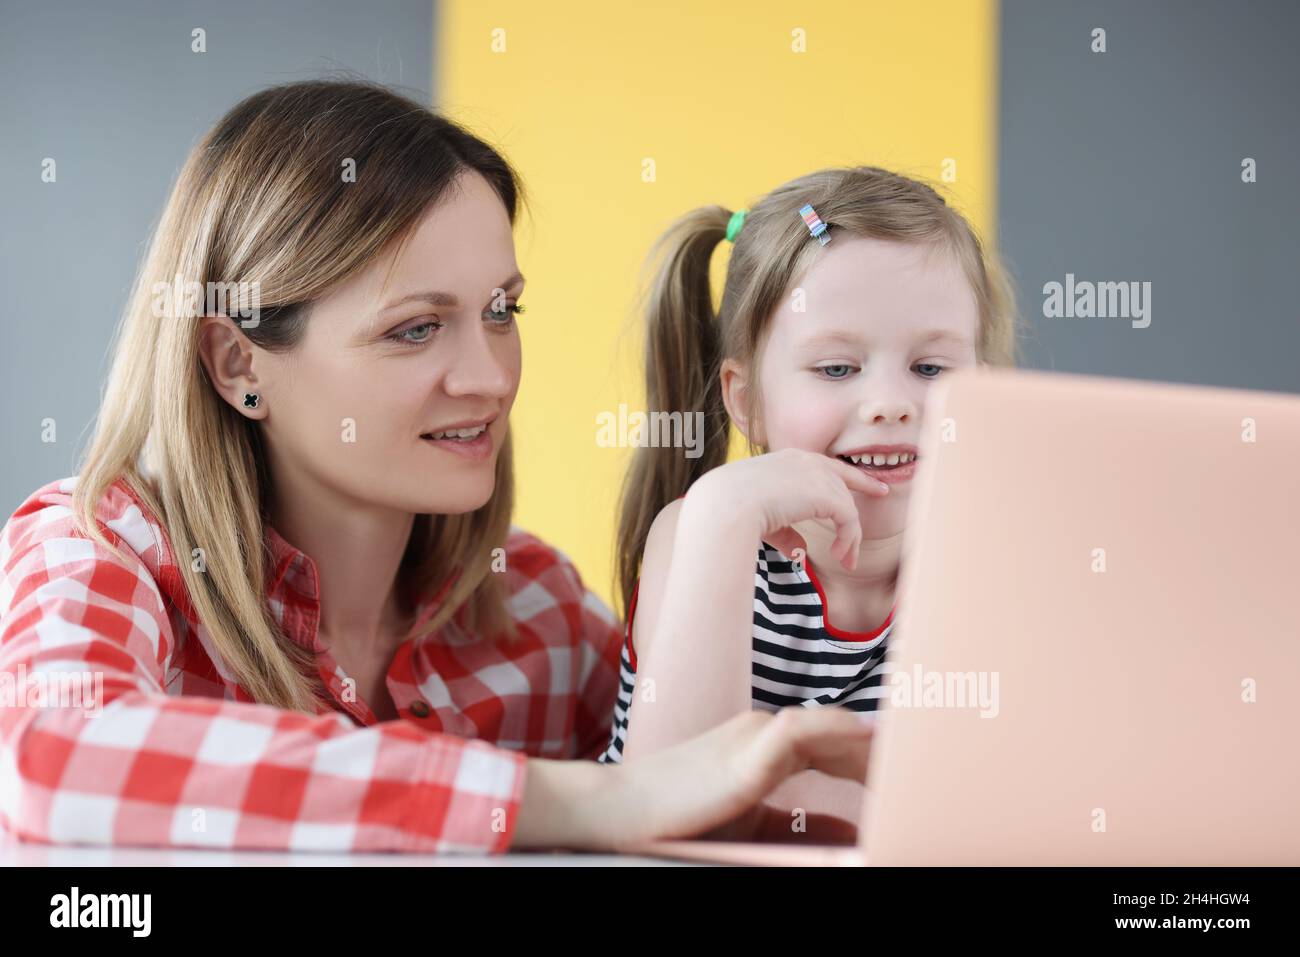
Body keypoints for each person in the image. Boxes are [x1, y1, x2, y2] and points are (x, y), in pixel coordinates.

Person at [0, 80, 872, 854]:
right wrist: (572, 799)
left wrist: (736, 527)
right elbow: (47, 758)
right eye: (416, 328)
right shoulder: (102, 547)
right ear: (238, 364)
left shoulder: (537, 612)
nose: (491, 377)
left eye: (501, 310)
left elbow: (720, 784)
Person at [599, 167, 1019, 828]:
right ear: (747, 401)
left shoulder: (994, 572)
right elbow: (672, 803)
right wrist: (725, 513)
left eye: (931, 368)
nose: (888, 404)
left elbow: (1017, 806)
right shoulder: (701, 531)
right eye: (837, 368)